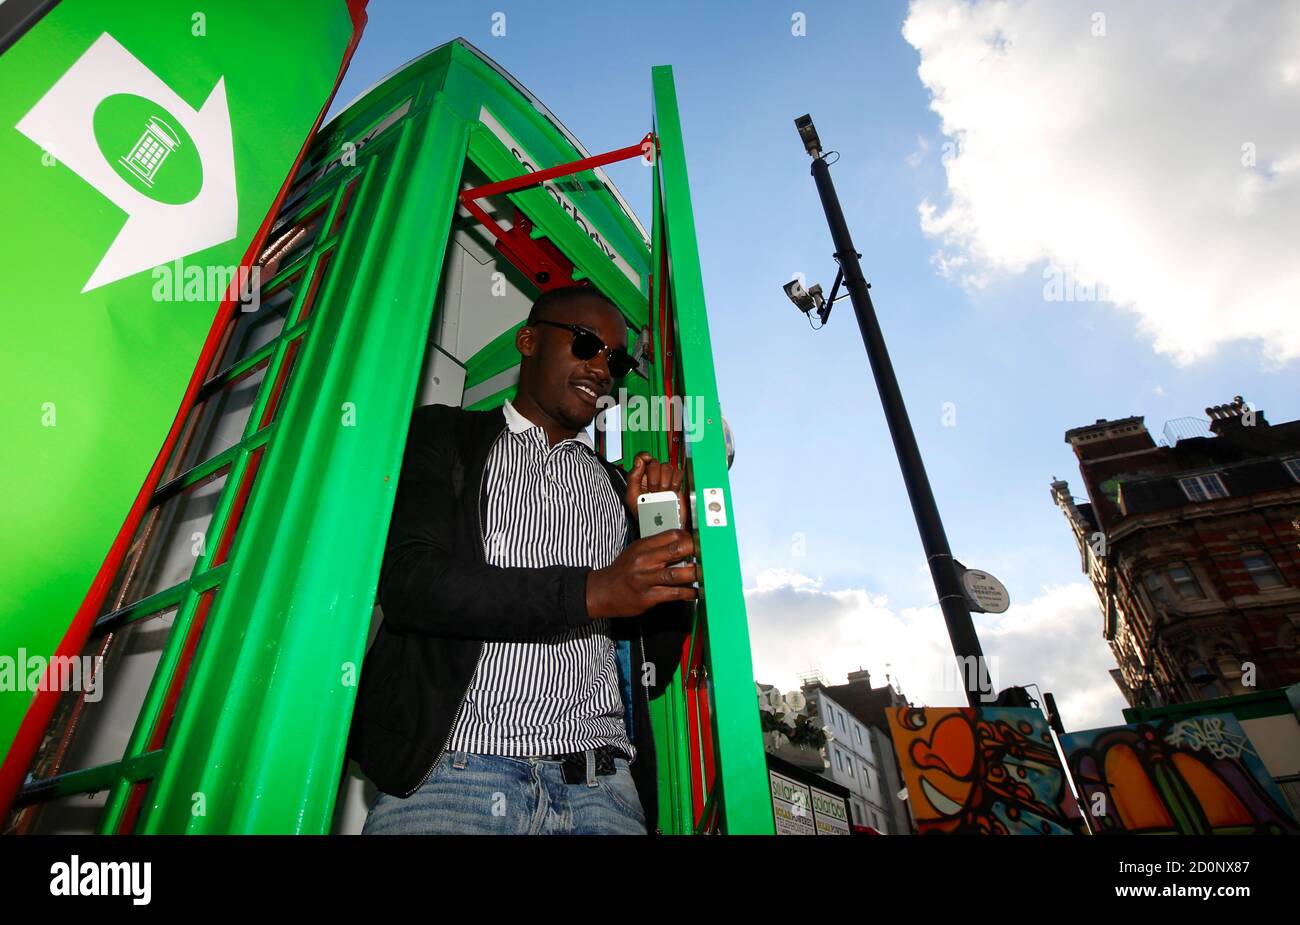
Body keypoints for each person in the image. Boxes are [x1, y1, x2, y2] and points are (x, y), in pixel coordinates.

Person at [349, 285, 698, 834]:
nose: (603, 369)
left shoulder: (614, 486)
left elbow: (654, 665)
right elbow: (411, 584)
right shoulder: (448, 434)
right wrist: (591, 592)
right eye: (586, 344)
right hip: (456, 776)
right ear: (528, 340)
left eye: (618, 359)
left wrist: (659, 524)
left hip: (602, 795)